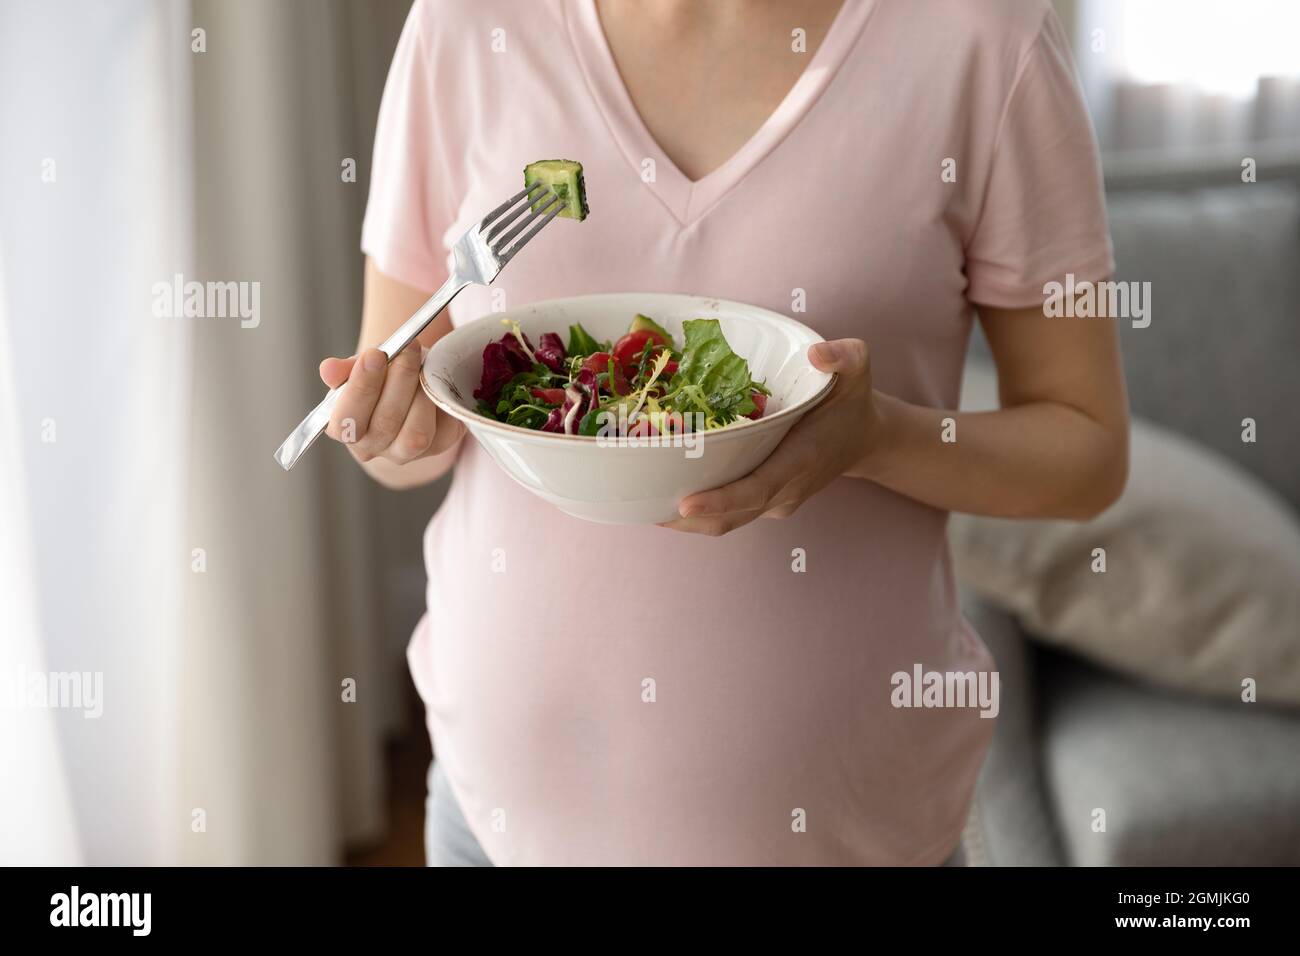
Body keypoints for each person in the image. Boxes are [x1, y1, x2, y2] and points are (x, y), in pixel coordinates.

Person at [320, 0, 1128, 865]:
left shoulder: (983, 36)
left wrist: (878, 439)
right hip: (492, 824)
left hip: (848, 832)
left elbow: (1087, 453)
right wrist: (396, 430)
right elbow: (406, 432)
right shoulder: (464, 24)